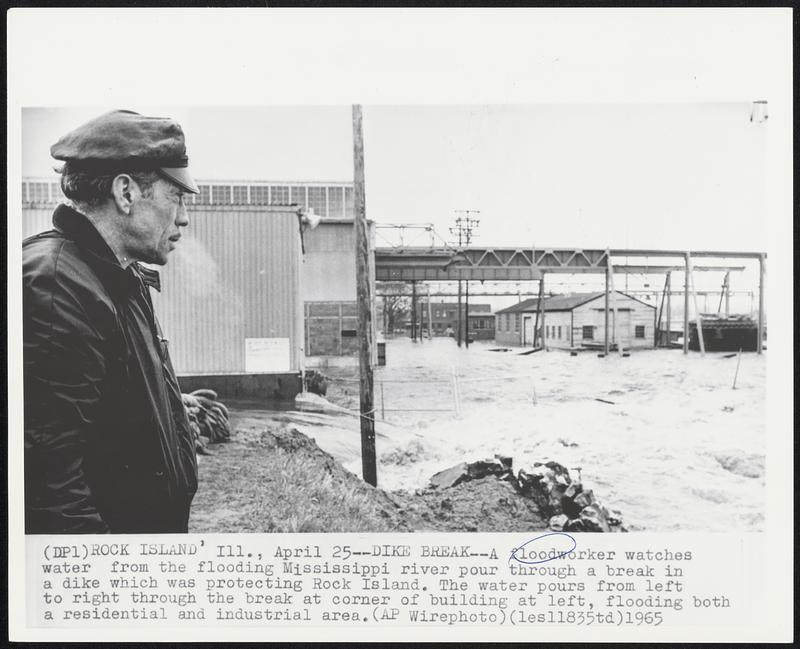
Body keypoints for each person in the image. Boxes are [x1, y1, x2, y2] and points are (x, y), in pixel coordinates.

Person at [23, 110, 200, 534]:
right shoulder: (57, 286)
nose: (183, 218)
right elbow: (49, 484)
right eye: (176, 197)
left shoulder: (119, 276)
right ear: (126, 192)